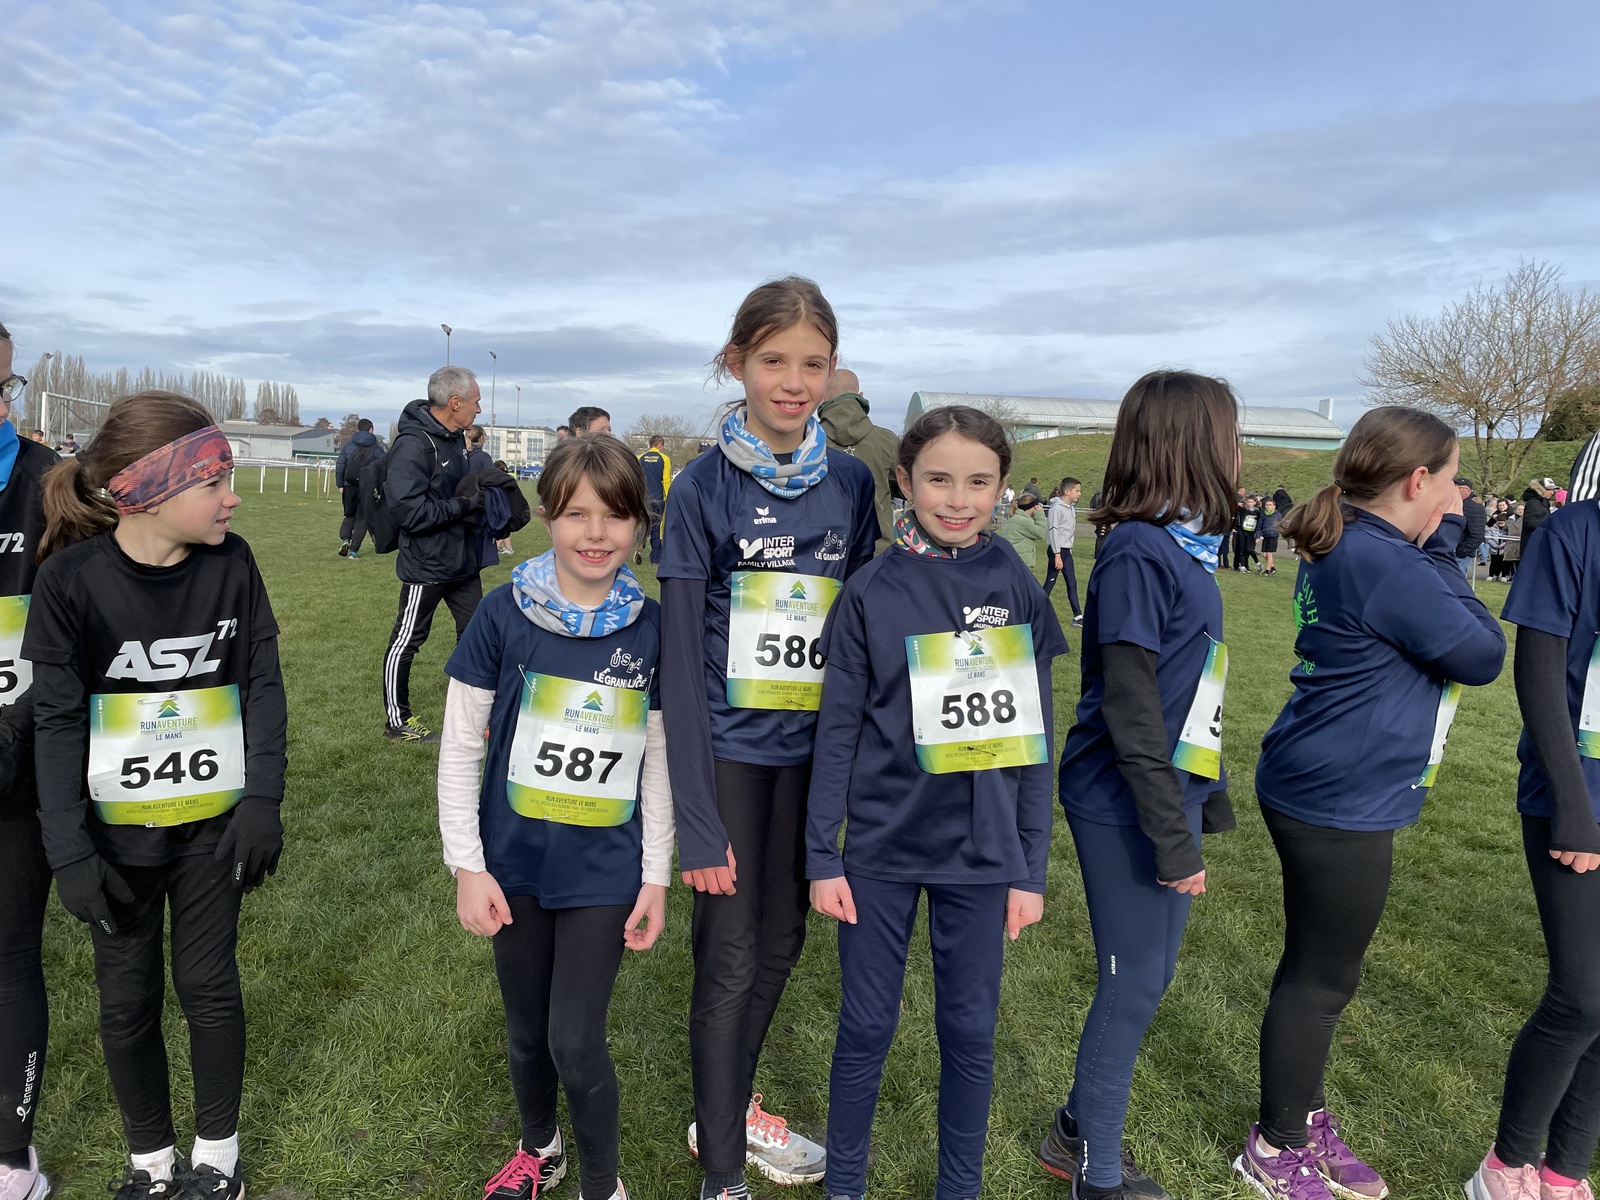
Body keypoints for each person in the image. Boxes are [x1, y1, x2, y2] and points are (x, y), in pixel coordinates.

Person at [1235, 407, 1505, 1200]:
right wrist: (1445, 552)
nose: (1455, 500)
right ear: (1417, 481)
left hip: (1319, 777)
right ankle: (1275, 1146)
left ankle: (1301, 1115)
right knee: (1322, 979)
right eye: (1450, 482)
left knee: (1315, 969)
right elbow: (1483, 653)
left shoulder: (1352, 538)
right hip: (1338, 794)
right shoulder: (1390, 560)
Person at [29, 392, 287, 1200]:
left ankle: (217, 1160)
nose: (232, 498)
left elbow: (263, 682)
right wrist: (68, 851)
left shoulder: (232, 563)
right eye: (214, 482)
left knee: (207, 985)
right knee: (126, 999)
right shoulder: (69, 581)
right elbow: (56, 722)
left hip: (213, 832)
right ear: (148, 489)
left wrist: (263, 800)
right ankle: (150, 1163)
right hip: (114, 842)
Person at [807, 405, 1067, 1199]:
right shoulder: (870, 589)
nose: (958, 500)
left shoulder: (1015, 584)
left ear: (1002, 487)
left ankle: (960, 1187)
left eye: (978, 482)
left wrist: (1029, 868)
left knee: (969, 1031)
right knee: (866, 1026)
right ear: (904, 481)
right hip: (880, 850)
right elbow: (838, 732)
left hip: (981, 855)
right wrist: (823, 855)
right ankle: (844, 1184)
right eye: (939, 480)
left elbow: (1034, 742)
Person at [658, 276, 878, 1200]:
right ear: (736, 363)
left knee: (783, 942)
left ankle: (727, 1109)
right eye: (774, 361)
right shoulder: (700, 487)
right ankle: (721, 1177)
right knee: (730, 955)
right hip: (730, 755)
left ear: (833, 371)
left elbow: (864, 632)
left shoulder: (854, 484)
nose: (794, 382)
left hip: (815, 757)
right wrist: (697, 819)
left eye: (813, 364)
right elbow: (677, 658)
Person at [439, 435, 674, 1200]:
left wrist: (656, 876)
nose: (596, 533)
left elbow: (660, 761)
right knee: (526, 1034)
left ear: (639, 523)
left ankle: (603, 1184)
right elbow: (459, 748)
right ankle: (540, 1147)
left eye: (615, 515)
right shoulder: (501, 614)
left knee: (574, 1040)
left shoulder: (653, 628)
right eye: (577, 514)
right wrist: (468, 866)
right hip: (514, 865)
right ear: (546, 518)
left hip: (604, 870)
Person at [1040, 370, 1241, 1200]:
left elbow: (1193, 683)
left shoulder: (1186, 546)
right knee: (1130, 984)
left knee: (1149, 978)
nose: (1238, 452)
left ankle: (1072, 1128)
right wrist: (1170, 835)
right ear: (1191, 443)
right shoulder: (1136, 550)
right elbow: (1129, 704)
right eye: (1230, 436)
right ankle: (1097, 1172)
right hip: (1124, 800)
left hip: (1169, 795)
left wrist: (1205, 797)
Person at [1467, 488, 1600, 1200]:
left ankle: (1563, 1172)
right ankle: (1504, 1165)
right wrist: (1573, 806)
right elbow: (1539, 670)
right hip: (1577, 797)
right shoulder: (1573, 532)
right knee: (1583, 996)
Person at [0, 323, 61, 1200]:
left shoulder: (53, 485)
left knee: (8, 952)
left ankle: (12, 1156)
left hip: (15, 769)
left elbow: (73, 632)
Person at [380, 366, 485, 743]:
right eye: (475, 402)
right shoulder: (413, 444)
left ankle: (476, 716)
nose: (479, 409)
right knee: (407, 640)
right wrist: (462, 506)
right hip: (426, 564)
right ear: (455, 402)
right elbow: (407, 512)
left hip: (463, 563)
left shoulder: (456, 439)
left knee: (479, 637)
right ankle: (397, 722)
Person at [817, 369, 898, 555]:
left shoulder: (807, 442)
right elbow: (907, 488)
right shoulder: (887, 440)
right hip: (878, 554)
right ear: (860, 396)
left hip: (825, 556)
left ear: (822, 398)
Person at [335, 418, 383, 559]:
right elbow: (383, 468)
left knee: (349, 515)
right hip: (367, 487)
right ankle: (353, 552)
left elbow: (340, 465)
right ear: (371, 430)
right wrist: (380, 488)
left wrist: (340, 484)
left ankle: (345, 540)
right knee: (362, 519)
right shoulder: (377, 448)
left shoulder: (348, 446)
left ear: (358, 429)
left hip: (349, 486)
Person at [1044, 477, 1084, 625]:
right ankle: (1036, 609)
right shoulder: (1057, 509)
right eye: (1077, 491)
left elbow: (1069, 530)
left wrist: (1069, 547)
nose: (1079, 494)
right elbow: (1053, 531)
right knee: (1050, 581)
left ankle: (1078, 616)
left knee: (1071, 582)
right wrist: (1057, 554)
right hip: (1057, 550)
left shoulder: (1071, 508)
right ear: (1067, 491)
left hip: (1066, 550)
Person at [637, 435, 672, 566]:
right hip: (658, 499)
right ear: (660, 445)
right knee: (657, 527)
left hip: (643, 499)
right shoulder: (664, 459)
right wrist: (669, 497)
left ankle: (639, 546)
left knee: (643, 524)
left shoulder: (640, 458)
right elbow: (666, 481)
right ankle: (656, 558)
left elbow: (636, 480)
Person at [1000, 492, 1047, 574]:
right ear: (1033, 507)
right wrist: (1040, 514)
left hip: (1012, 561)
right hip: (1020, 562)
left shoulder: (1016, 518)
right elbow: (1041, 533)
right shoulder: (1023, 521)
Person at [1456, 477, 1488, 580]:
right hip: (1448, 551)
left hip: (1460, 554)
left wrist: (1460, 552)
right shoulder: (1451, 505)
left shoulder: (1474, 508)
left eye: (1458, 487)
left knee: (1454, 582)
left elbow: (1477, 535)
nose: (1454, 490)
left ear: (1468, 491)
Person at [1234, 496, 1261, 572]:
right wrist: (1238, 505)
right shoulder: (1243, 510)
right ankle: (1243, 566)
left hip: (1251, 534)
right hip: (1242, 532)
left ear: (1254, 503)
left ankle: (1258, 563)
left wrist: (1258, 534)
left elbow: (1260, 519)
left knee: (1250, 550)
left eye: (1251, 502)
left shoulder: (1257, 512)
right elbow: (1236, 509)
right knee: (1242, 549)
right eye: (1248, 502)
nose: (1249, 503)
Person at [1258, 499, 1282, 575]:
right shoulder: (1263, 515)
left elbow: (1281, 524)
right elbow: (1259, 526)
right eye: (1267, 505)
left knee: (1269, 554)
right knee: (1264, 554)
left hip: (1273, 536)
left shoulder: (1278, 515)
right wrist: (1258, 536)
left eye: (1270, 505)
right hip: (1266, 535)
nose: (1268, 506)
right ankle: (1272, 567)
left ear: (1274, 506)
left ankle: (1267, 570)